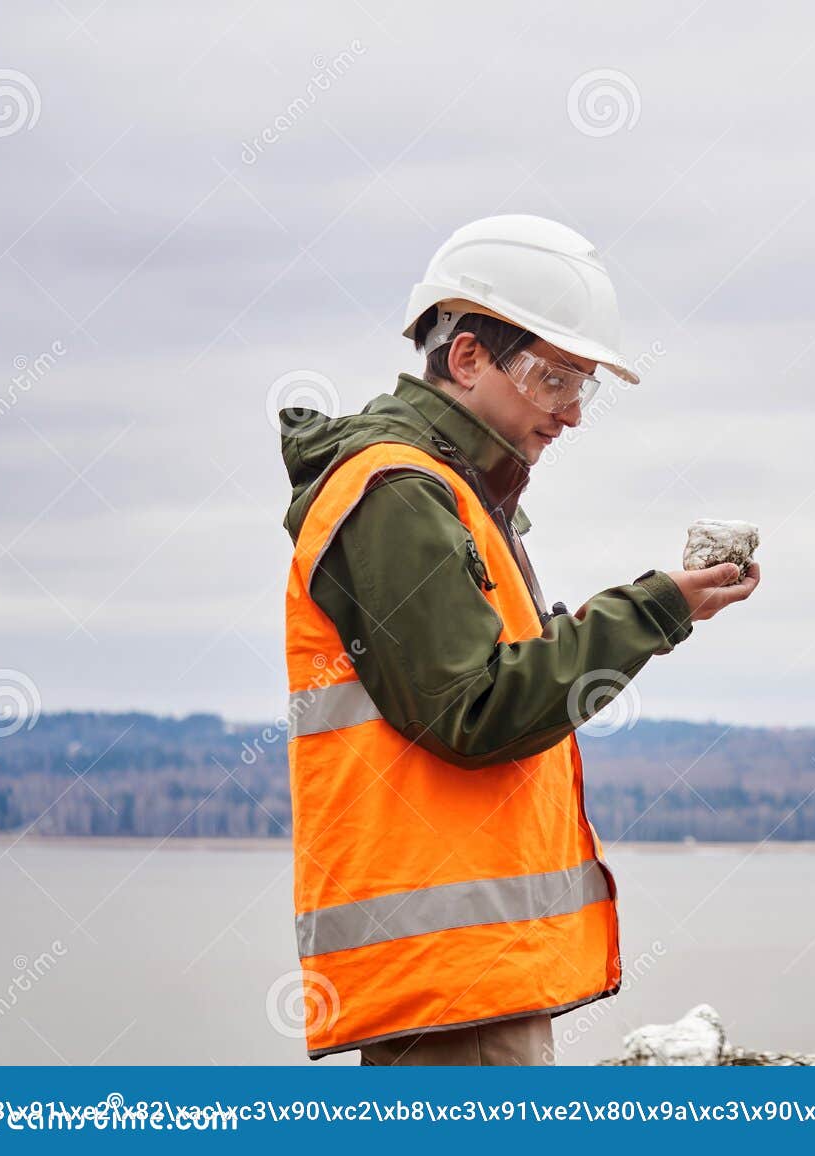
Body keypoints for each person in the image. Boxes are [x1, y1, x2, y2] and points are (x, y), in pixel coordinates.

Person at [276, 215, 760, 1066]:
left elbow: (479, 680)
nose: (571, 414)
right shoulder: (396, 492)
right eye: (553, 379)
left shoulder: (446, 491)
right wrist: (651, 612)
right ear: (465, 358)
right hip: (446, 978)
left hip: (461, 971)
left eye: (585, 388)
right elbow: (475, 710)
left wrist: (659, 609)